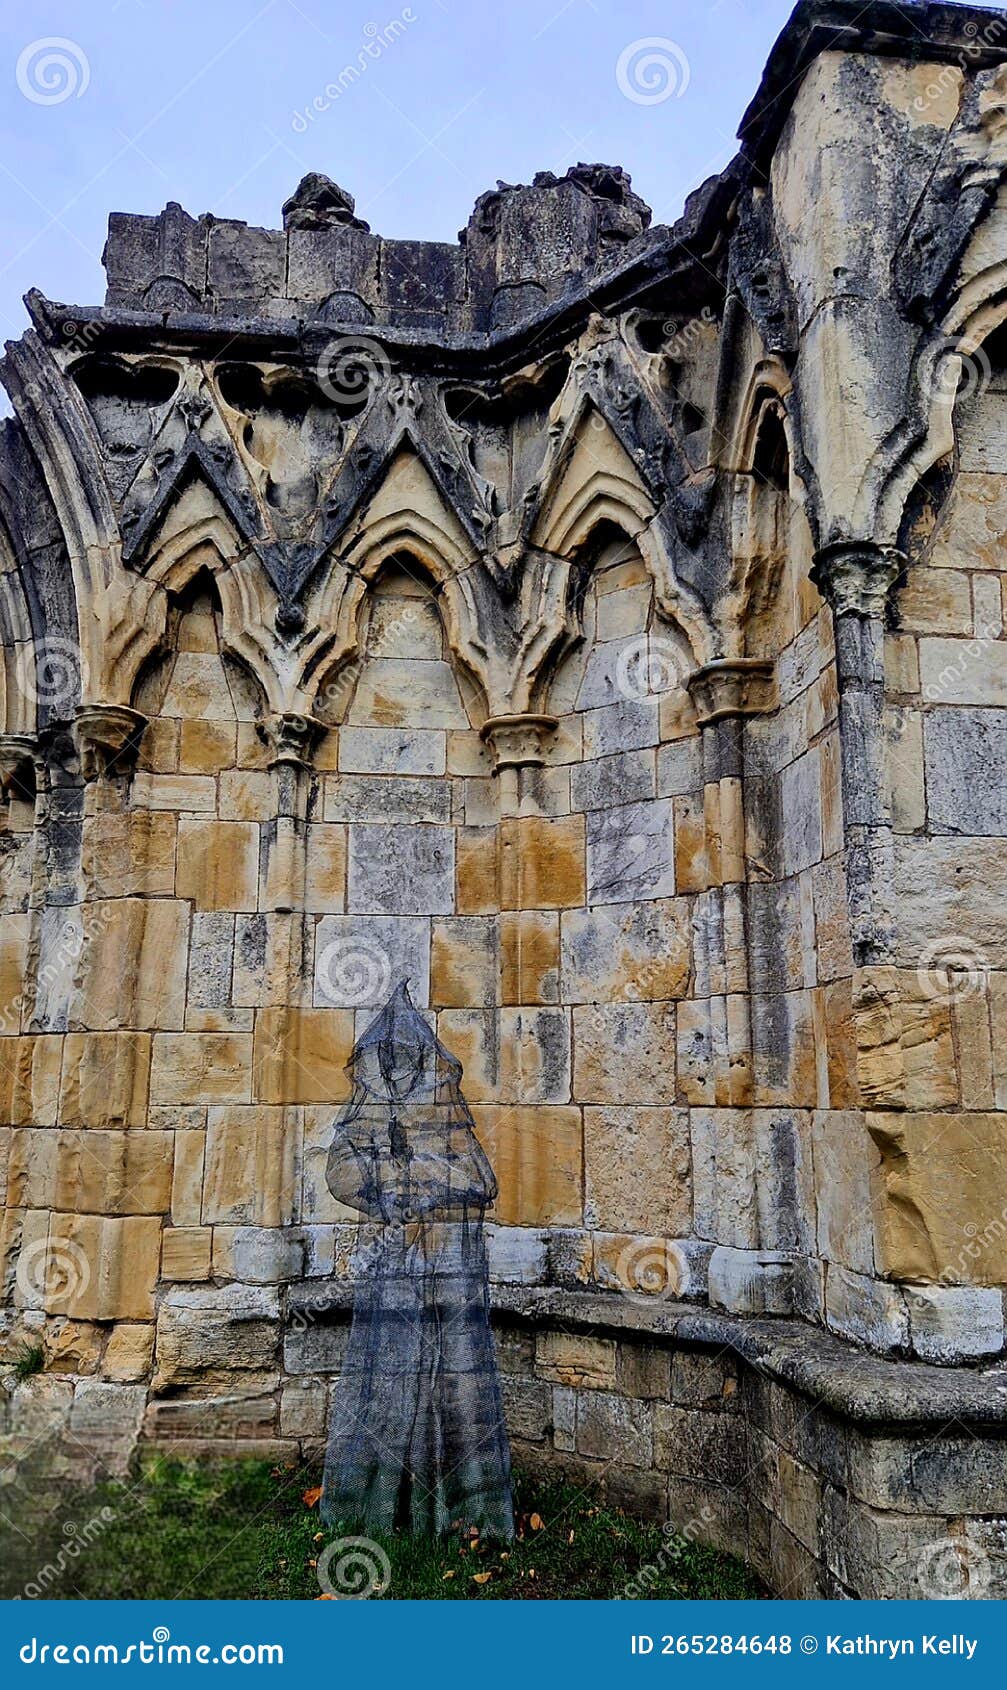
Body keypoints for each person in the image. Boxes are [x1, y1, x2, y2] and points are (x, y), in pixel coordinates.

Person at [321, 979, 514, 1538]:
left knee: (449, 1388)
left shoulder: (446, 1112)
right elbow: (340, 1171)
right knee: (385, 1388)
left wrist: (427, 1180)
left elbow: (482, 1179)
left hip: (444, 1277)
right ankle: (383, 1506)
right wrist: (385, 1184)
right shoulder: (364, 1114)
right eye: (388, 1057)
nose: (397, 1066)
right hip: (391, 1277)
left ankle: (453, 1509)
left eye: (407, 1055)